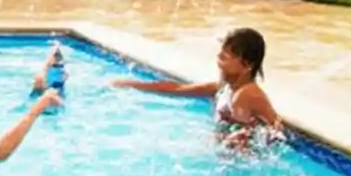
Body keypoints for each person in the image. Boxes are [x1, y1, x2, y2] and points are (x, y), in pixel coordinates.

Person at [110, 27, 282, 148]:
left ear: (247, 65)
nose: (218, 61)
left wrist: (251, 136)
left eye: (225, 58)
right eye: (219, 55)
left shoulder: (248, 94)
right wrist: (135, 85)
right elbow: (178, 89)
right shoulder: (224, 88)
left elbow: (277, 128)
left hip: (243, 164)